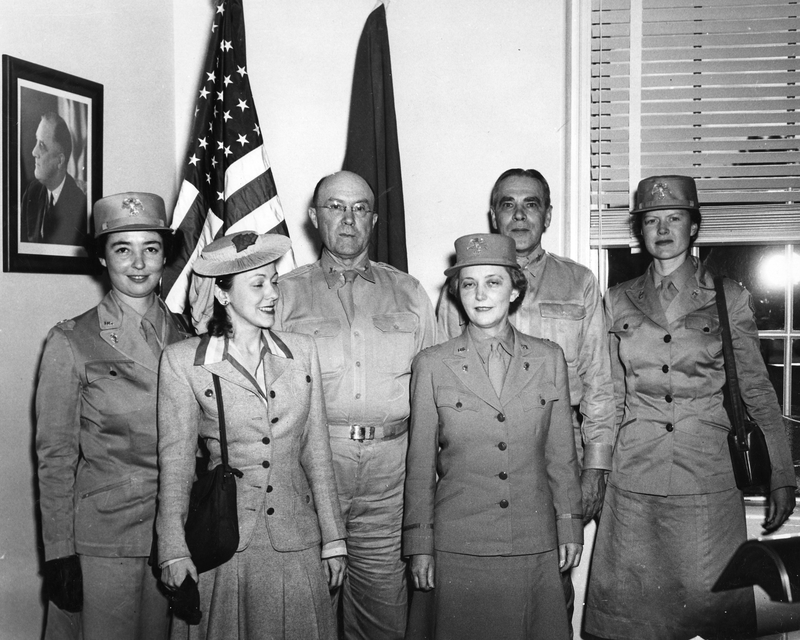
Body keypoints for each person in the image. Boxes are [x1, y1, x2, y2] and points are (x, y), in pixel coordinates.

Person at [584, 175, 797, 640]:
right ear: (639, 232)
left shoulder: (728, 296)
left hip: (707, 480)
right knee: (633, 623)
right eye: (651, 221)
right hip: (634, 479)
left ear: (694, 227)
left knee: (712, 620)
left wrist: (782, 473)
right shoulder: (617, 298)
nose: (662, 229)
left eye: (674, 219)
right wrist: (596, 471)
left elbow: (757, 391)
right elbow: (612, 395)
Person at [436, 168, 615, 622]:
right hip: (474, 464)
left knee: (550, 591)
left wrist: (594, 468)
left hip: (556, 458)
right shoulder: (457, 290)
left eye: (530, 204)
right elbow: (434, 388)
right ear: (493, 215)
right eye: (508, 204)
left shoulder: (578, 283)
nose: (519, 214)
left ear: (548, 215)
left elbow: (599, 381)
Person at [157, 231, 347, 639]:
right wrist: (173, 548)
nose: (272, 294)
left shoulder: (302, 352)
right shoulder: (182, 363)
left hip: (295, 541)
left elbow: (316, 452)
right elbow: (174, 467)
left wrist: (334, 538)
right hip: (224, 544)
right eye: (257, 284)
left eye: (273, 280)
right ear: (224, 294)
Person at [275, 171, 436, 640]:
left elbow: (432, 394)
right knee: (306, 611)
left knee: (383, 616)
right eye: (335, 207)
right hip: (312, 472)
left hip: (389, 478)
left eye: (360, 208)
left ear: (374, 218)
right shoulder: (283, 293)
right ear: (314, 217)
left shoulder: (409, 292)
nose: (348, 220)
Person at [404, 233, 583, 639]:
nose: (480, 295)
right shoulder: (432, 364)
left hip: (533, 542)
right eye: (469, 284)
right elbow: (418, 469)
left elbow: (561, 456)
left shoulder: (548, 358)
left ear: (515, 289)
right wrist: (419, 545)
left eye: (493, 282)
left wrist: (569, 526)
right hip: (458, 547)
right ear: (457, 293)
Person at [35, 192, 189, 640]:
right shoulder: (72, 341)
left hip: (174, 535)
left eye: (151, 248)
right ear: (103, 258)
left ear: (165, 256)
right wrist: (60, 550)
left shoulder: (188, 335)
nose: (138, 263)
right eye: (123, 249)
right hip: (104, 537)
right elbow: (56, 456)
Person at [22, 111, 88, 245]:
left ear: (60, 160)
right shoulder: (32, 193)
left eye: (42, 145)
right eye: (36, 141)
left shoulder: (80, 204)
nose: (34, 152)